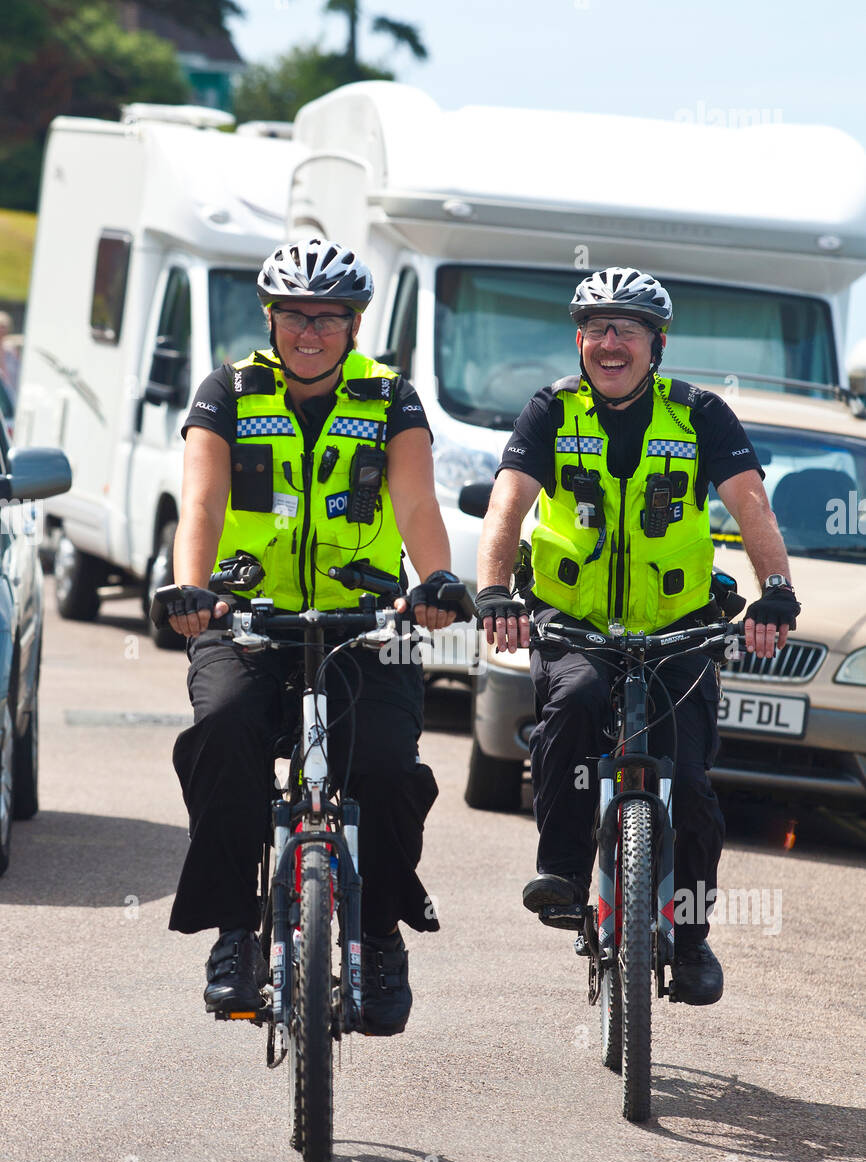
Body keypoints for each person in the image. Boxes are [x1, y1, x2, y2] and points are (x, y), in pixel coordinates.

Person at [475, 267, 801, 1005]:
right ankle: (560, 869)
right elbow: (506, 507)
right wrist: (496, 588)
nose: (609, 341)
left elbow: (751, 507)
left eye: (627, 328)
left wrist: (775, 591)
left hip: (677, 628)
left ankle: (688, 939)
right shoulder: (551, 412)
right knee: (576, 702)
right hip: (573, 621)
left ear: (657, 342)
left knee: (686, 782)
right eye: (595, 327)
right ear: (579, 339)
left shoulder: (699, 416)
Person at [164, 237, 464, 1035]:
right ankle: (235, 933)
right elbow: (199, 504)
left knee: (389, 772)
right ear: (270, 317)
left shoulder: (392, 398)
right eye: (294, 314)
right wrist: (195, 591)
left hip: (366, 627)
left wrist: (434, 583)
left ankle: (381, 933)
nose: (310, 330)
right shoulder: (226, 391)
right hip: (246, 621)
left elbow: (416, 506)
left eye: (328, 316)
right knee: (223, 733)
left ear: (356, 326)